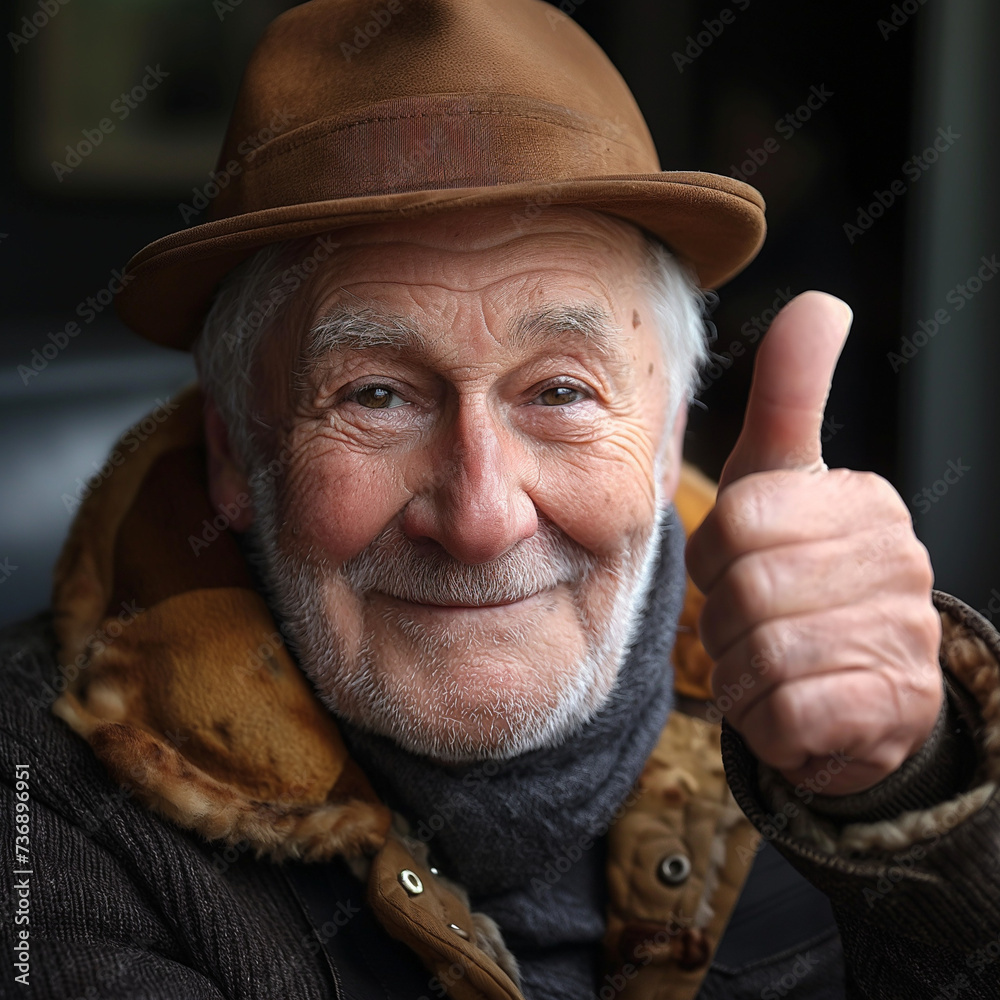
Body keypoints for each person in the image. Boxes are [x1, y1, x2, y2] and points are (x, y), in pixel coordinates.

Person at [3, 1, 999, 997]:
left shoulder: (856, 708)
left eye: (560, 391)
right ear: (235, 452)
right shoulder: (40, 791)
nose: (481, 521)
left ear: (665, 440)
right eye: (376, 395)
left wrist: (901, 794)